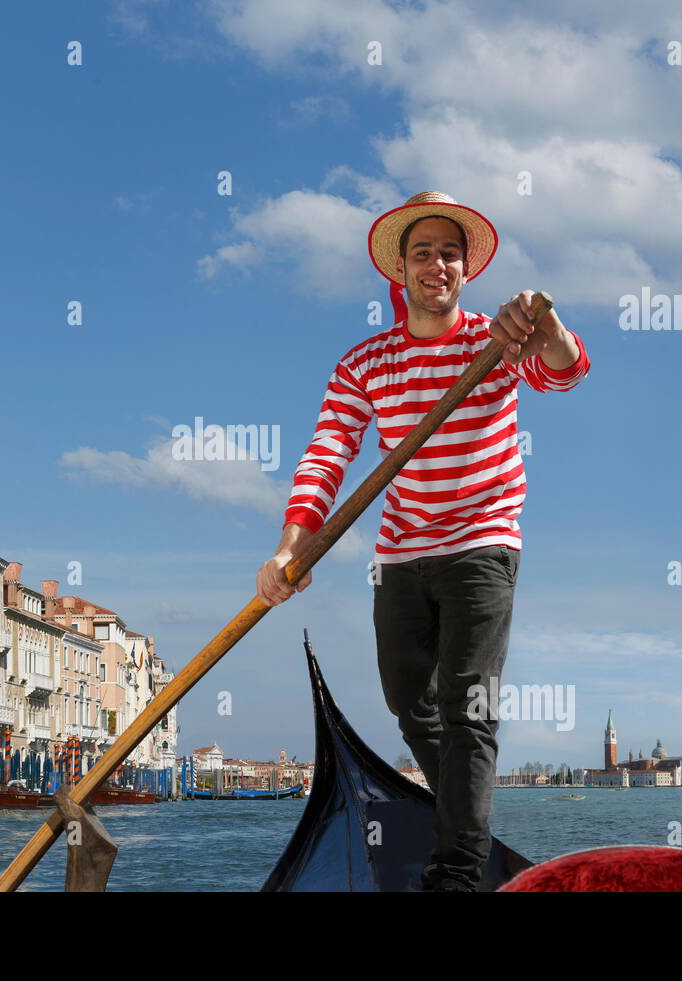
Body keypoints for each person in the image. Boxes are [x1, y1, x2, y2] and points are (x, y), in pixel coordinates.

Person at [256, 191, 591, 892]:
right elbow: (326, 454)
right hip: (401, 556)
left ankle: (457, 874)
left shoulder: (497, 340)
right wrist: (292, 547)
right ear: (401, 271)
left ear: (465, 268)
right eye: (422, 253)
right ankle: (471, 833)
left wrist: (547, 320)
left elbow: (564, 371)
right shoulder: (365, 362)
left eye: (449, 252)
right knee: (411, 706)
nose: (436, 264)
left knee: (469, 707)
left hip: (484, 544)